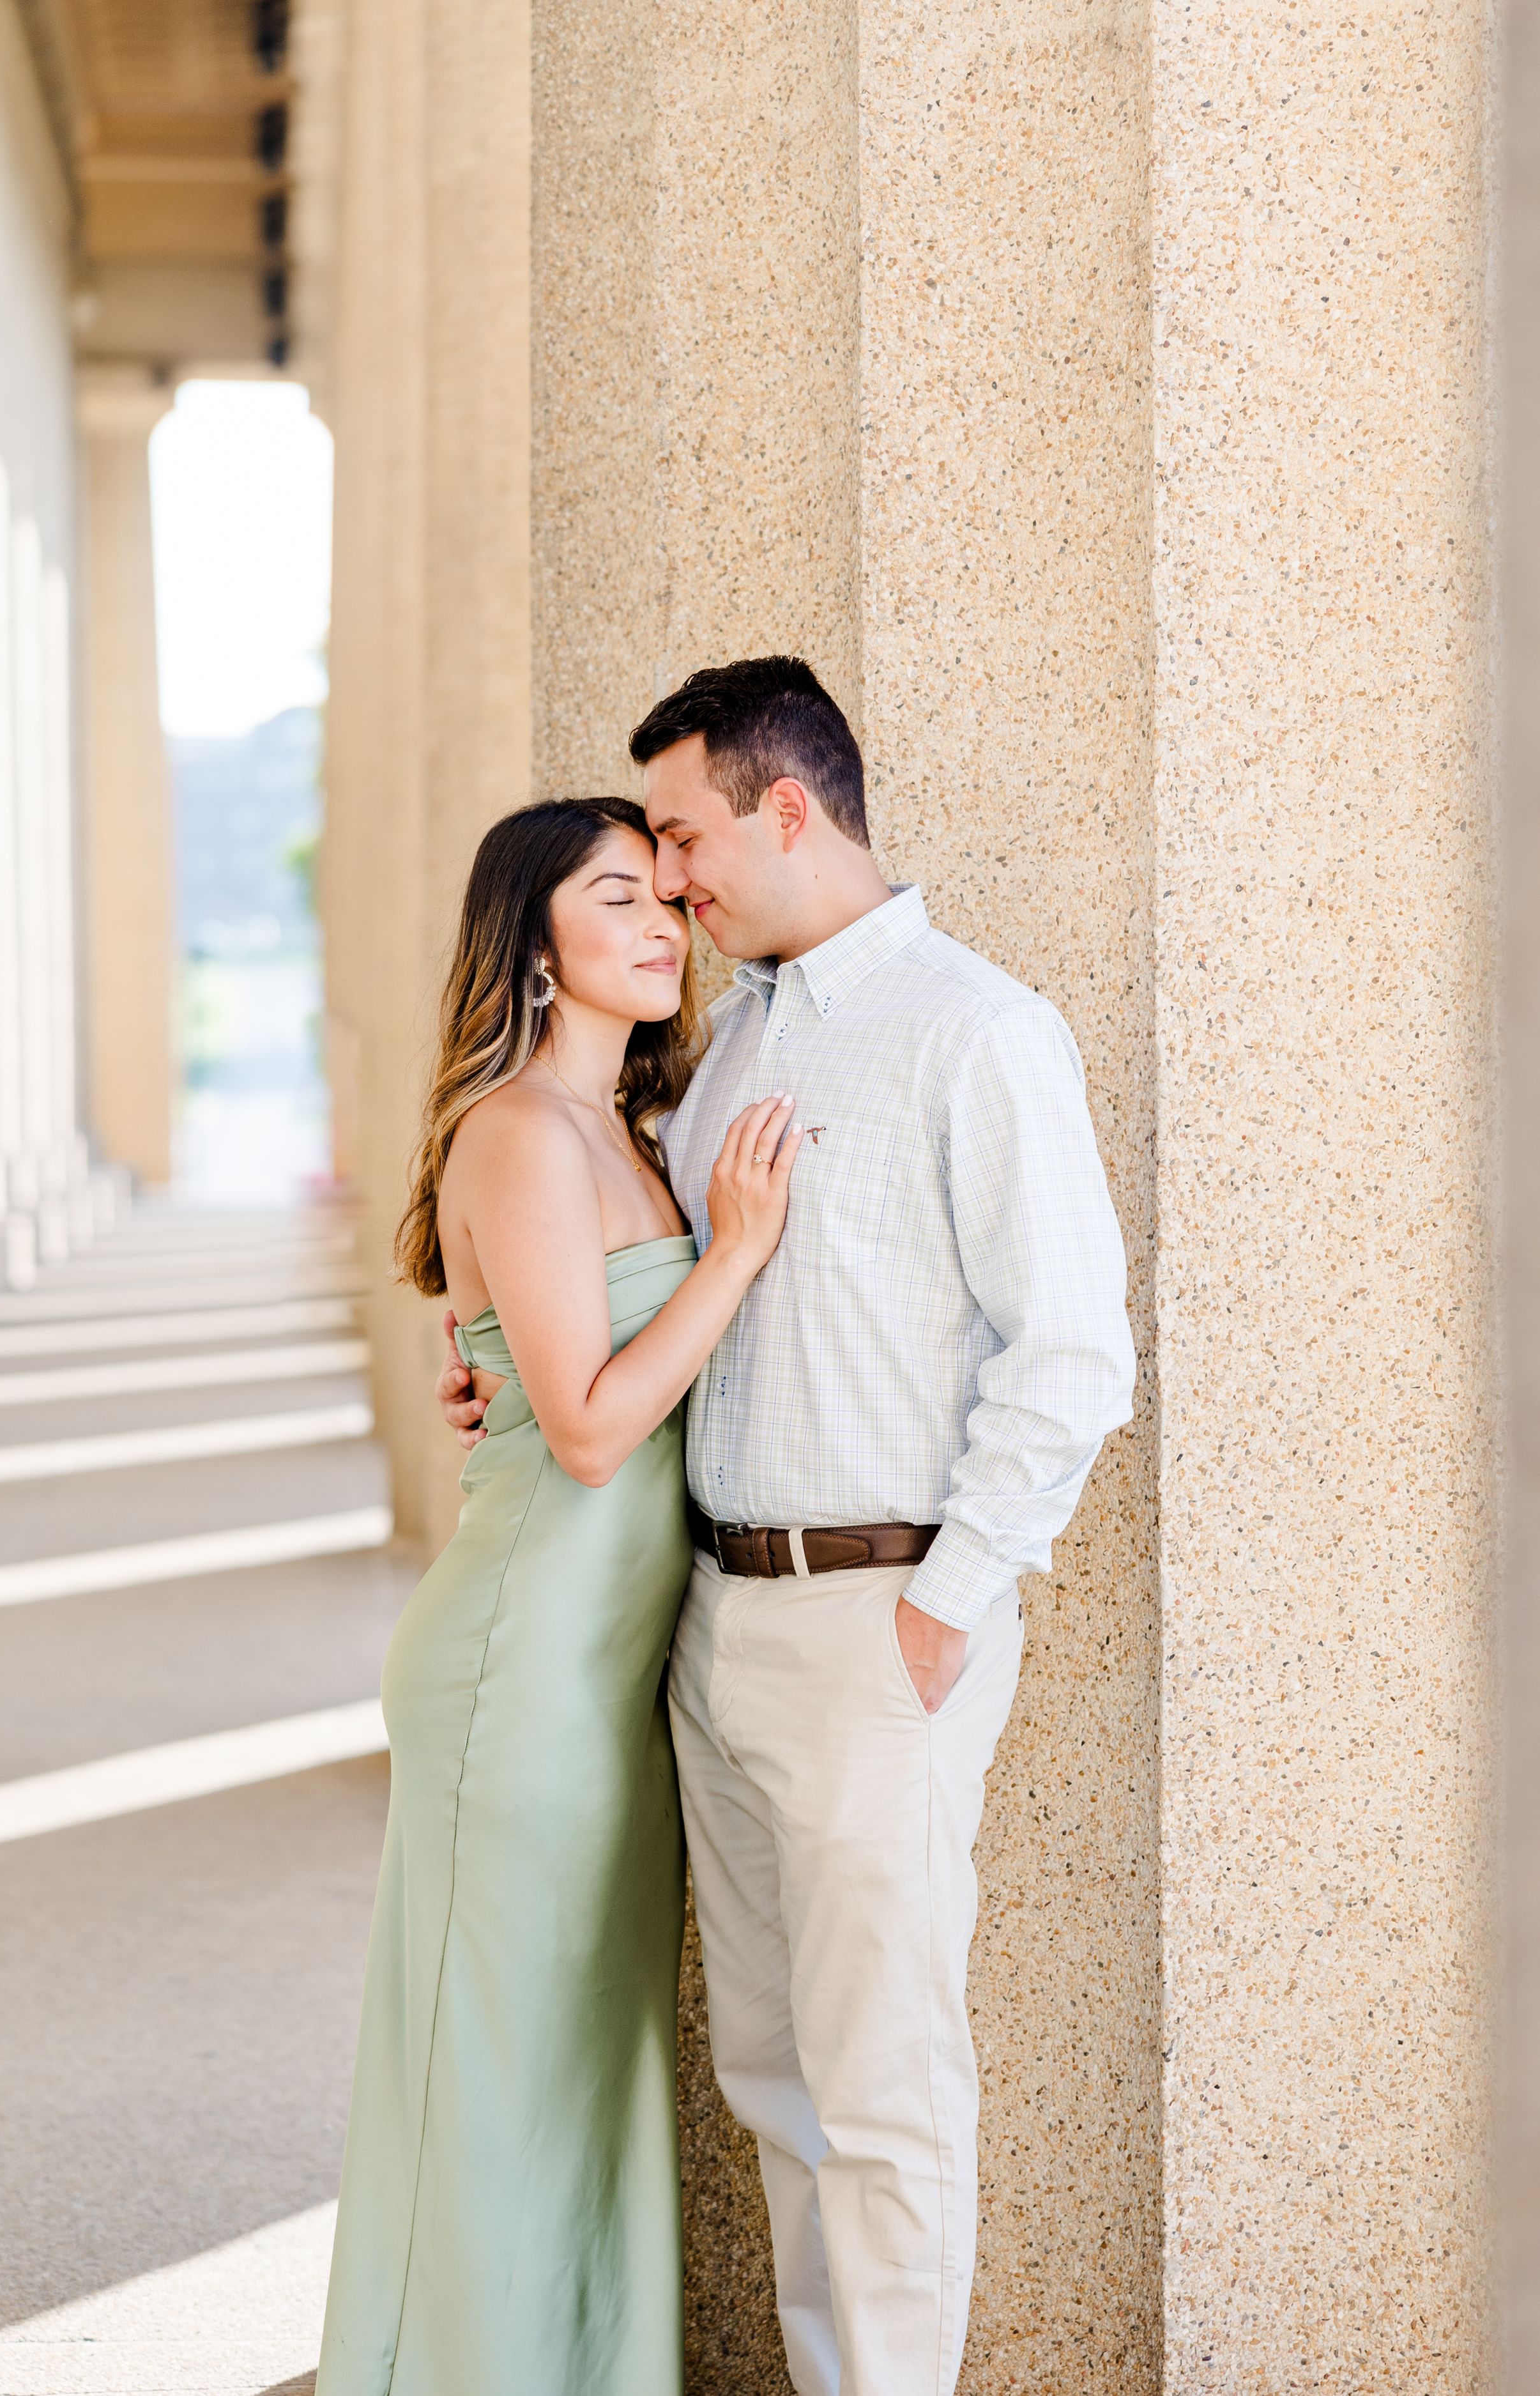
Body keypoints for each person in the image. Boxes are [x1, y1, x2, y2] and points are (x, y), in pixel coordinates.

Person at [440, 659, 1137, 2396]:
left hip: (874, 1621)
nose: (670, 880)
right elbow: (606, 1268)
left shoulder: (978, 1028)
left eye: (681, 836)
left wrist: (943, 1604)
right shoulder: (734, 1030)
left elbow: (1073, 1356)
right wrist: (494, 1376)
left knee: (884, 2082)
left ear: (788, 810)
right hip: (713, 1621)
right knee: (770, 2066)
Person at [317, 795, 802, 2396]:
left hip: (601, 1684)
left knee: (582, 2074)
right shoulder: (522, 1131)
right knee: (499, 2072)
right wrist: (731, 1255)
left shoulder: (624, 1133)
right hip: (518, 1676)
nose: (663, 922)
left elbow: (535, 1370)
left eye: (668, 894)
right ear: (535, 939)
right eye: (619, 897)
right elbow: (592, 1431)